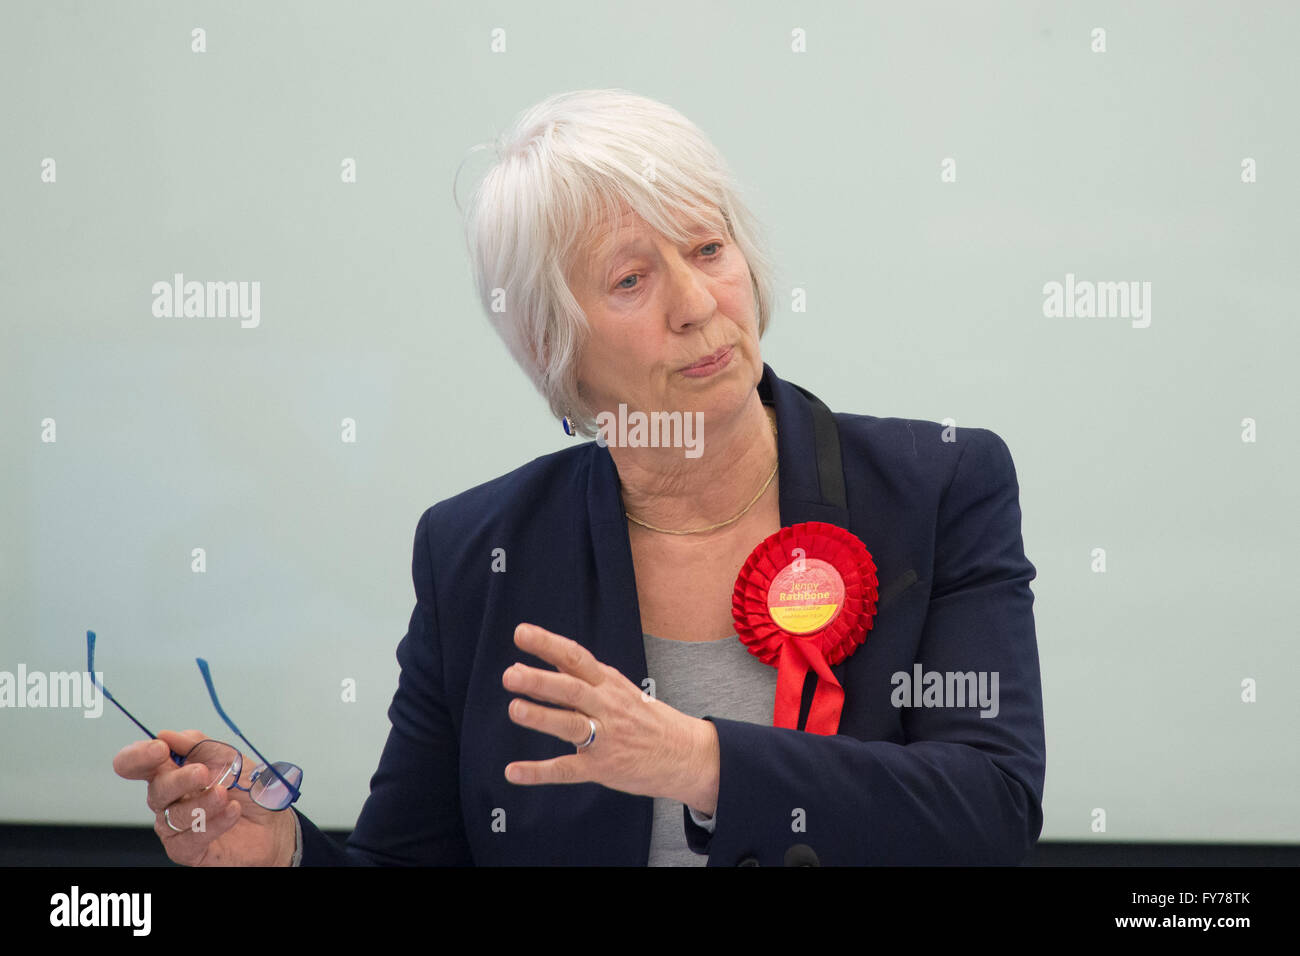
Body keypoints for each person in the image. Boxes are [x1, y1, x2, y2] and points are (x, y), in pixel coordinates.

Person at [112, 88, 1045, 866]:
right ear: (552, 345)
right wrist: (280, 854)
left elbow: (992, 810)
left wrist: (700, 759)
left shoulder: (937, 486)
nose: (696, 304)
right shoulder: (477, 551)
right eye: (631, 280)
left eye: (708, 249)